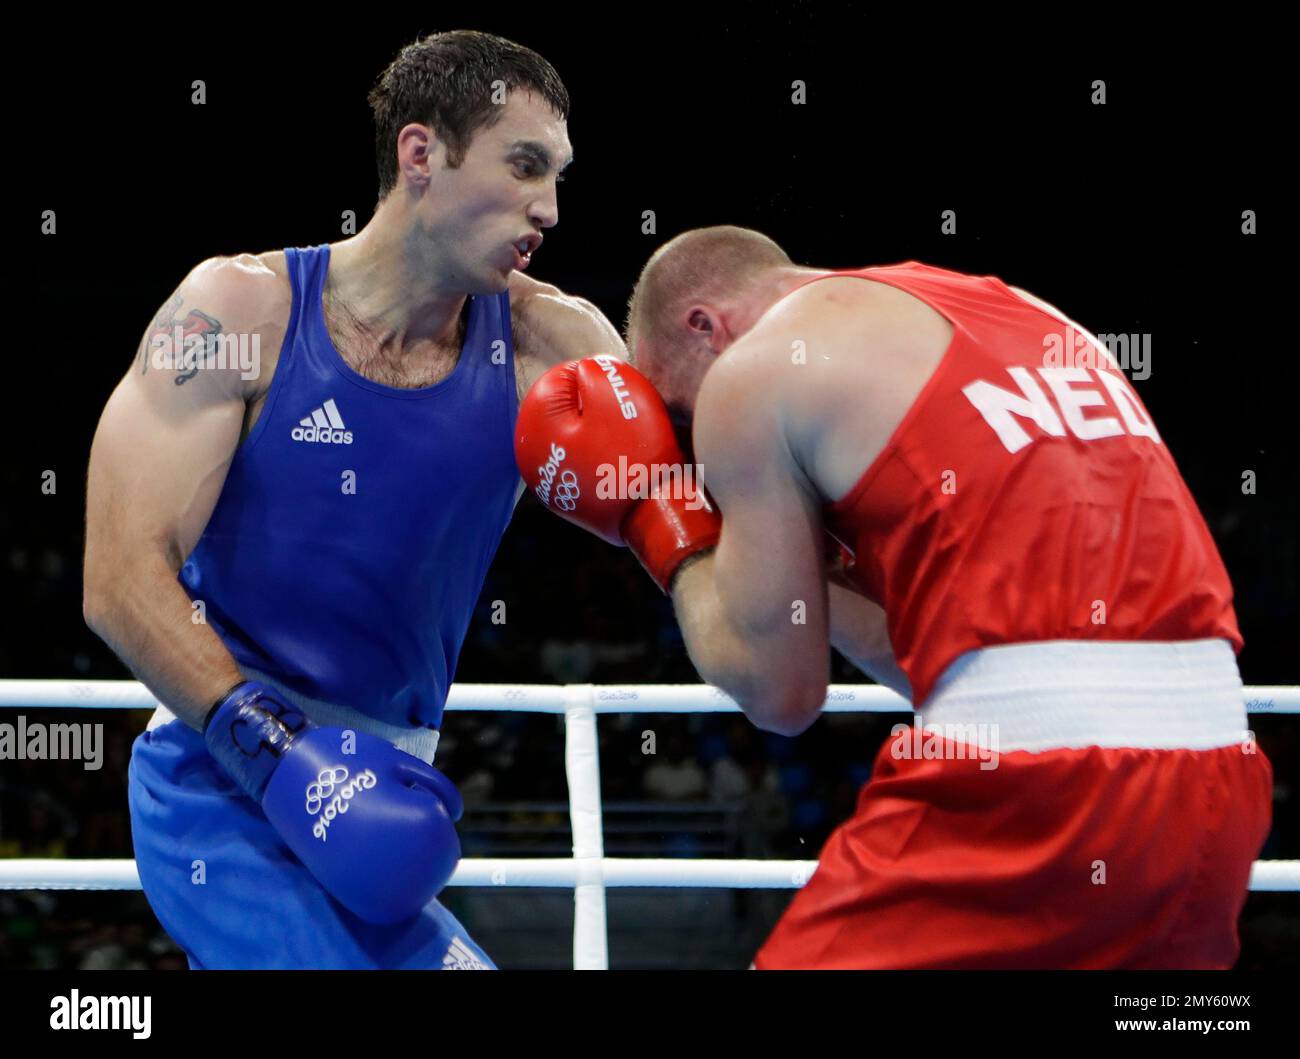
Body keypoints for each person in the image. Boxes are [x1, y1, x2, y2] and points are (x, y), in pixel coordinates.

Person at [514, 225, 1274, 968]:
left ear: (706, 326)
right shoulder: (1024, 313)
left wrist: (659, 505)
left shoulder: (753, 371)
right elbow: (937, 655)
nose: (690, 439)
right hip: (1219, 785)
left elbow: (781, 692)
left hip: (1039, 788)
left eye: (679, 412)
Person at [83, 30, 626, 970]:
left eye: (559, 177)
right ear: (422, 154)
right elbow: (117, 577)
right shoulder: (239, 311)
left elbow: (687, 514)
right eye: (526, 165)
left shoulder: (553, 342)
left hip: (388, 789)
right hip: (217, 780)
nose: (549, 207)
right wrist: (269, 747)